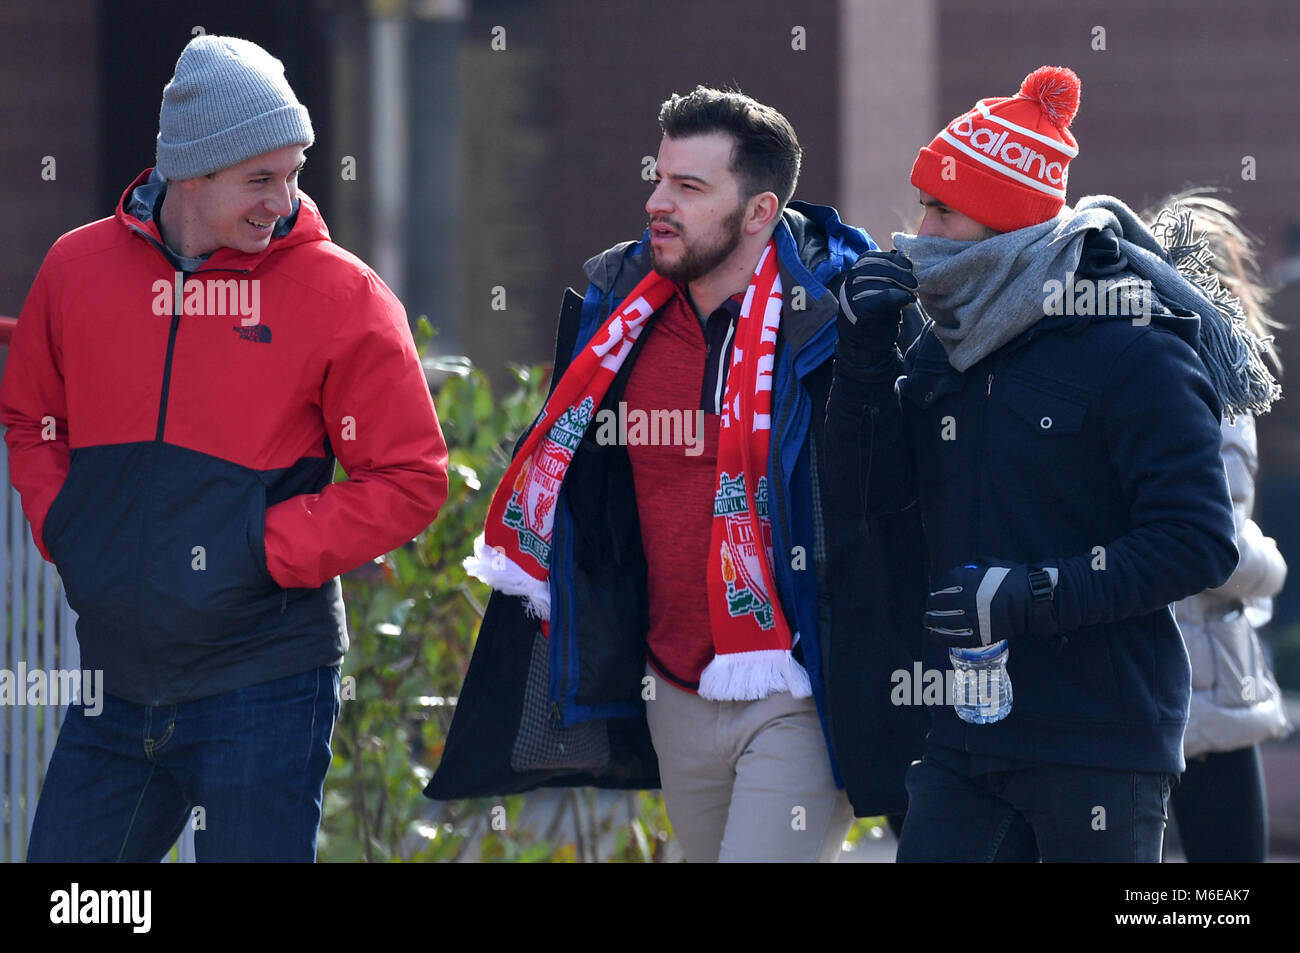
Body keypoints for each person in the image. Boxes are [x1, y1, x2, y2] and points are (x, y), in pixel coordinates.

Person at [426, 86, 929, 862]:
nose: (659, 202)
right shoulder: (617, 313)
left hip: (793, 686)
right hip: (672, 690)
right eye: (659, 179)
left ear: (759, 211)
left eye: (690, 188)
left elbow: (893, 491)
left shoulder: (834, 319)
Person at [0, 35, 449, 862]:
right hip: (114, 686)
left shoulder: (342, 295)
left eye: (295, 173)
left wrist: (260, 548)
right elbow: (33, 419)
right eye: (260, 179)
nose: (283, 201)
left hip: (264, 683)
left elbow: (411, 478)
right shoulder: (76, 269)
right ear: (190, 175)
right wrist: (67, 524)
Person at [827, 66, 1277, 862]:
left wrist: (1028, 594)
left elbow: (1198, 542)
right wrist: (863, 358)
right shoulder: (941, 348)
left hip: (1100, 744)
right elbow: (866, 501)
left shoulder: (1135, 346)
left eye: (942, 209)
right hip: (960, 736)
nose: (915, 228)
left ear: (1003, 223)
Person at [1153, 190, 1291, 862]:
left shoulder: (1128, 362)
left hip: (1143, 675)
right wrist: (1275, 568)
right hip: (1207, 679)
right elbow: (1215, 544)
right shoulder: (1218, 378)